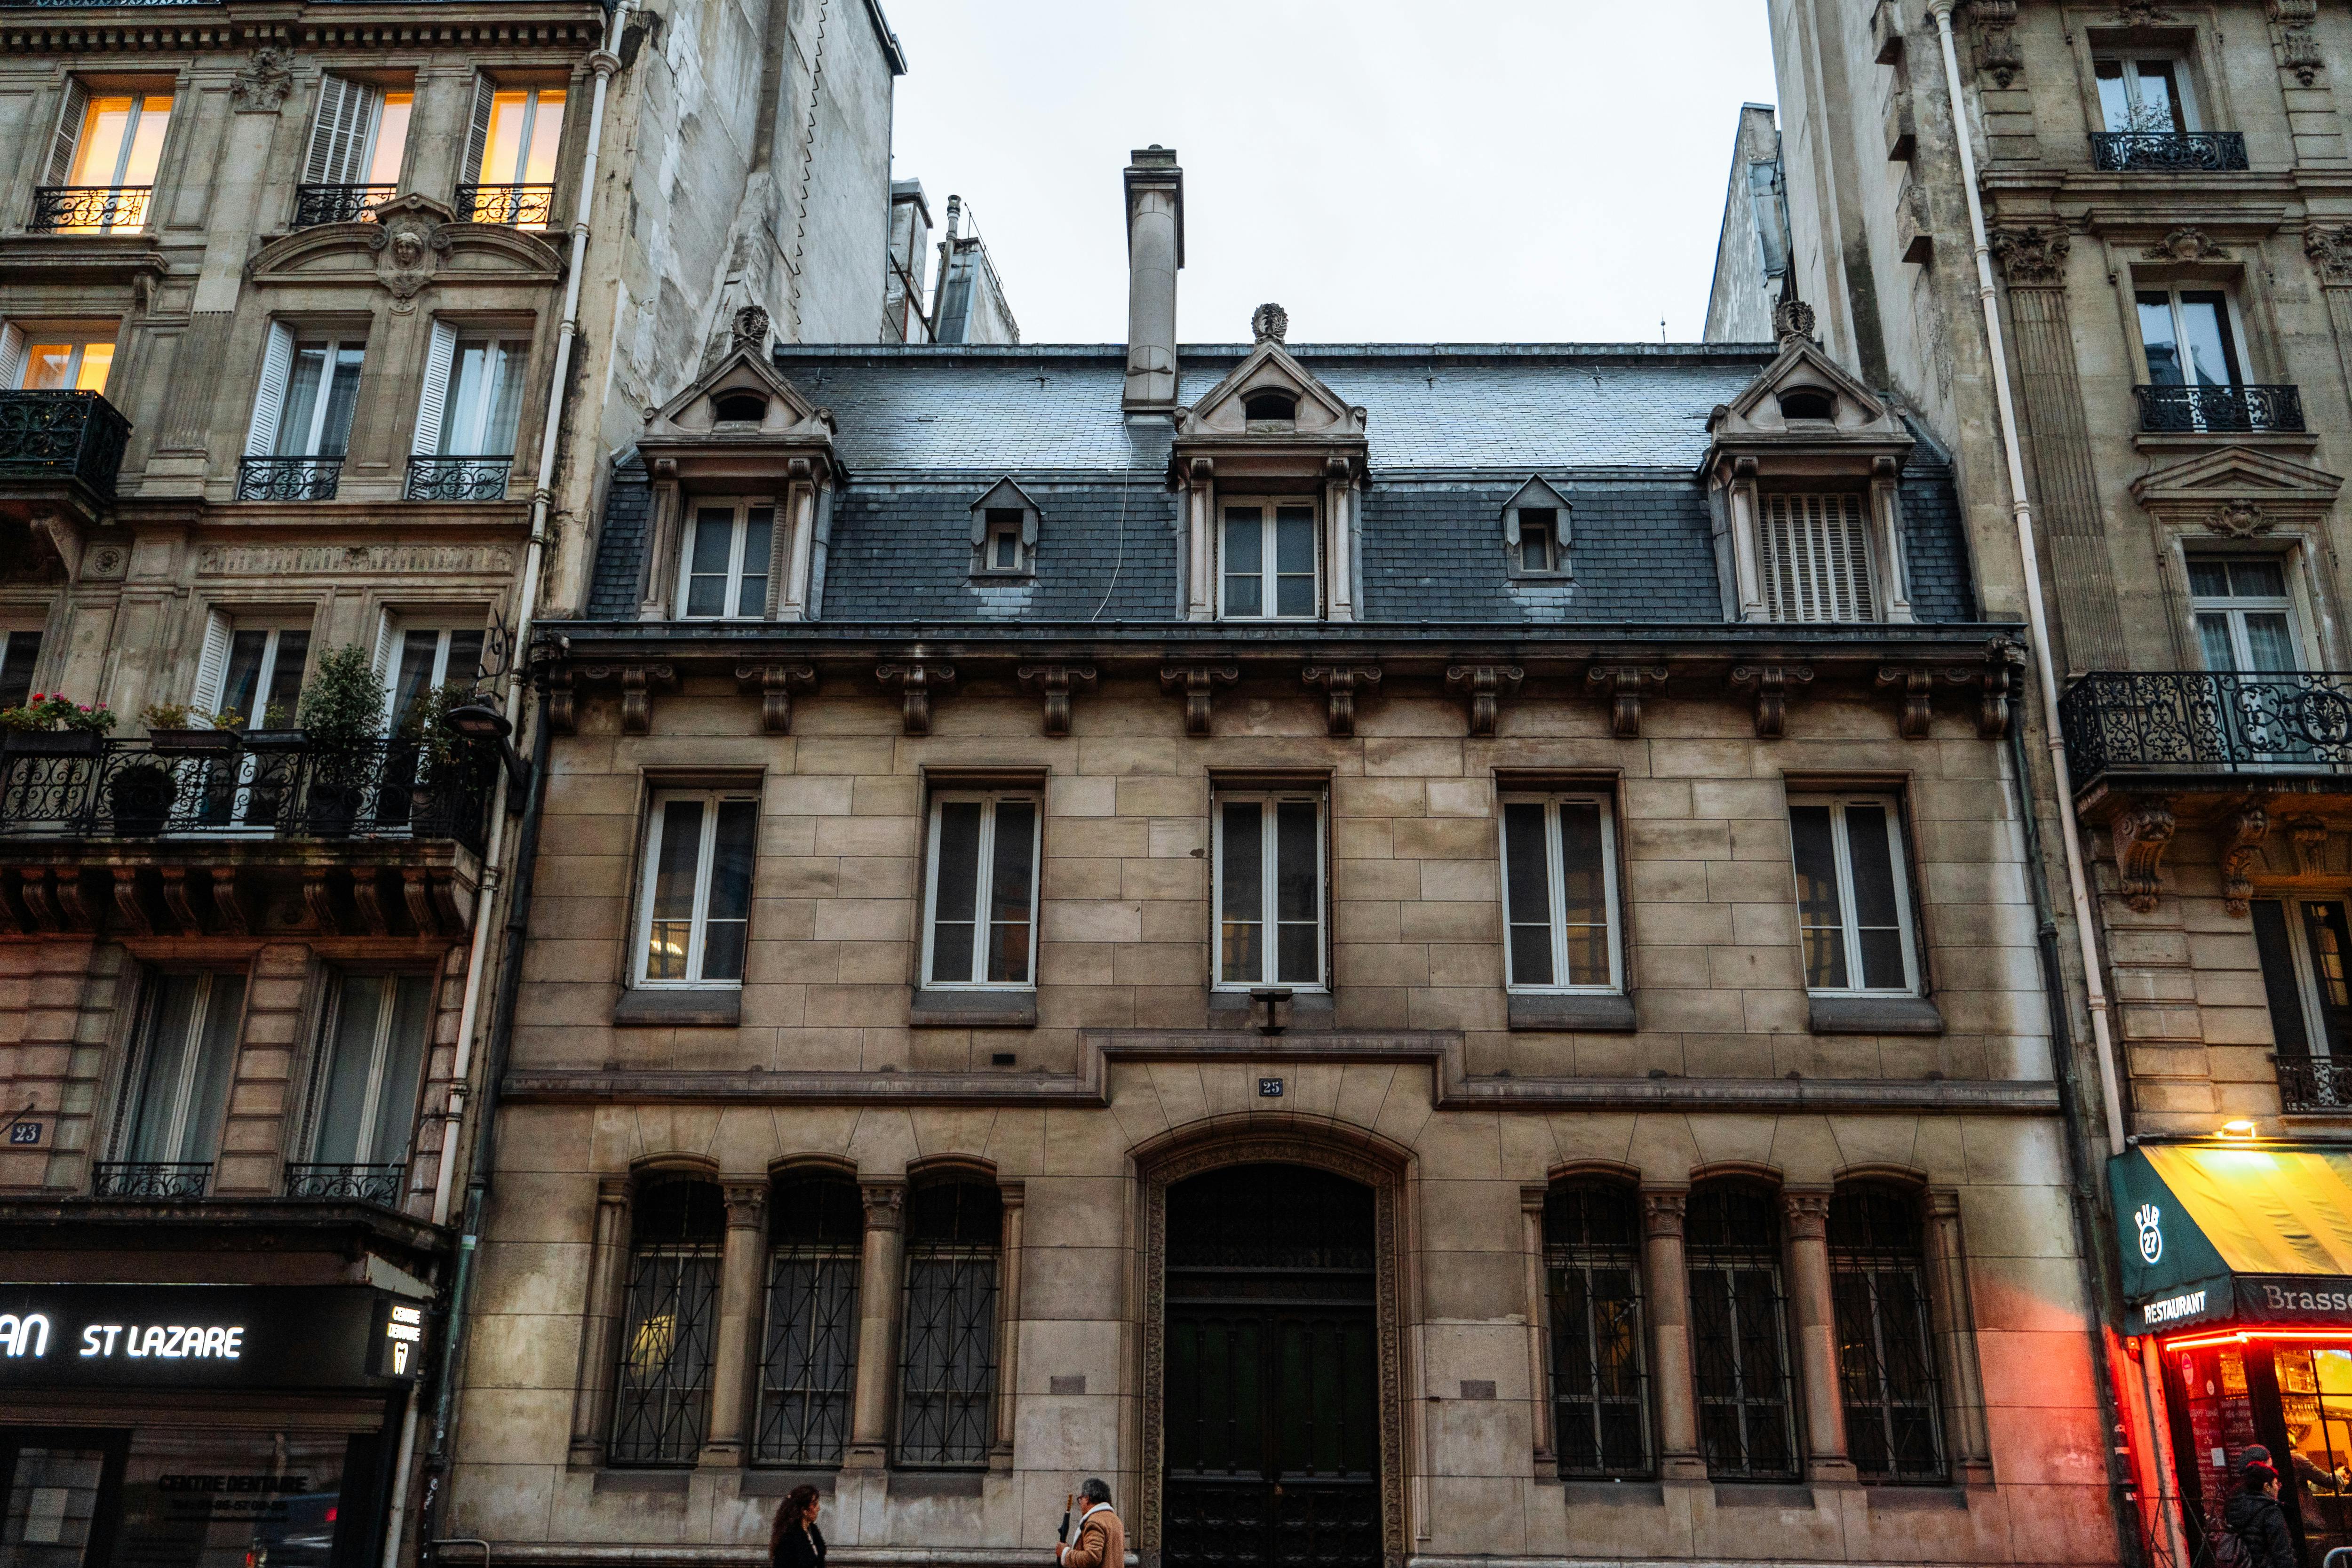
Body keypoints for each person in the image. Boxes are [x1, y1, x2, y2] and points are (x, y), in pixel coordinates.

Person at [2226, 1458, 2298, 1568]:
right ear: (2266, 1487)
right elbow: (2282, 1552)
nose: (2278, 1488)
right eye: (2275, 1484)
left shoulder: (2234, 1507)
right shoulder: (2271, 1511)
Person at [1057, 1477, 1123, 1568]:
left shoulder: (1094, 1522)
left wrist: (1065, 1553)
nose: (1080, 1504)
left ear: (1087, 1498)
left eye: (1081, 1499)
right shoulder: (1115, 1520)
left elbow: (1091, 1558)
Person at [770, 1483, 825, 1568]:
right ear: (804, 1510)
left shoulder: (813, 1532)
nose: (819, 1508)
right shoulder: (789, 1538)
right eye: (814, 1504)